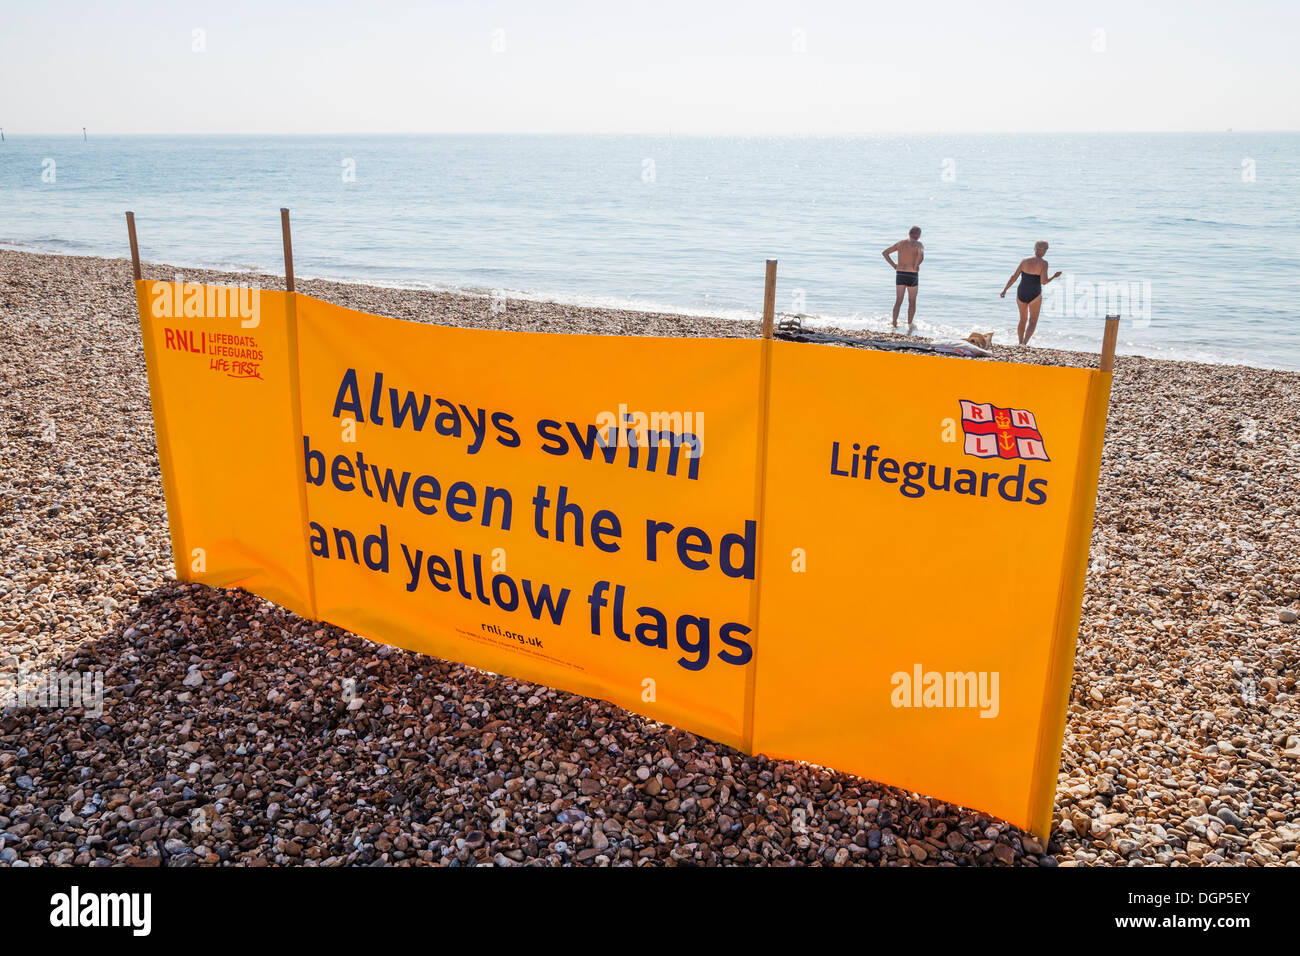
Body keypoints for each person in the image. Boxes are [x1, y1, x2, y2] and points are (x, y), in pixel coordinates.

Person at [1000, 241, 1062, 345]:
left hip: (1021, 292)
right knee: (1032, 321)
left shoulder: (1024, 261)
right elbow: (1044, 282)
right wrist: (1054, 276)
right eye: (1046, 250)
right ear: (1043, 250)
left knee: (1022, 320)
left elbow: (1014, 277)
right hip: (1035, 294)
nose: (1046, 252)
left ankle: (1019, 343)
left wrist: (1005, 289)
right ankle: (1024, 343)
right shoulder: (1044, 263)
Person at [882, 226, 924, 331]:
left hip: (900, 273)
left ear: (909, 233)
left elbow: (885, 253)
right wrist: (916, 265)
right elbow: (920, 256)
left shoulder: (900, 243)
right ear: (917, 234)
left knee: (899, 300)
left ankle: (894, 323)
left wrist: (894, 265)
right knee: (912, 301)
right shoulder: (919, 244)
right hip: (912, 274)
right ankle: (910, 325)